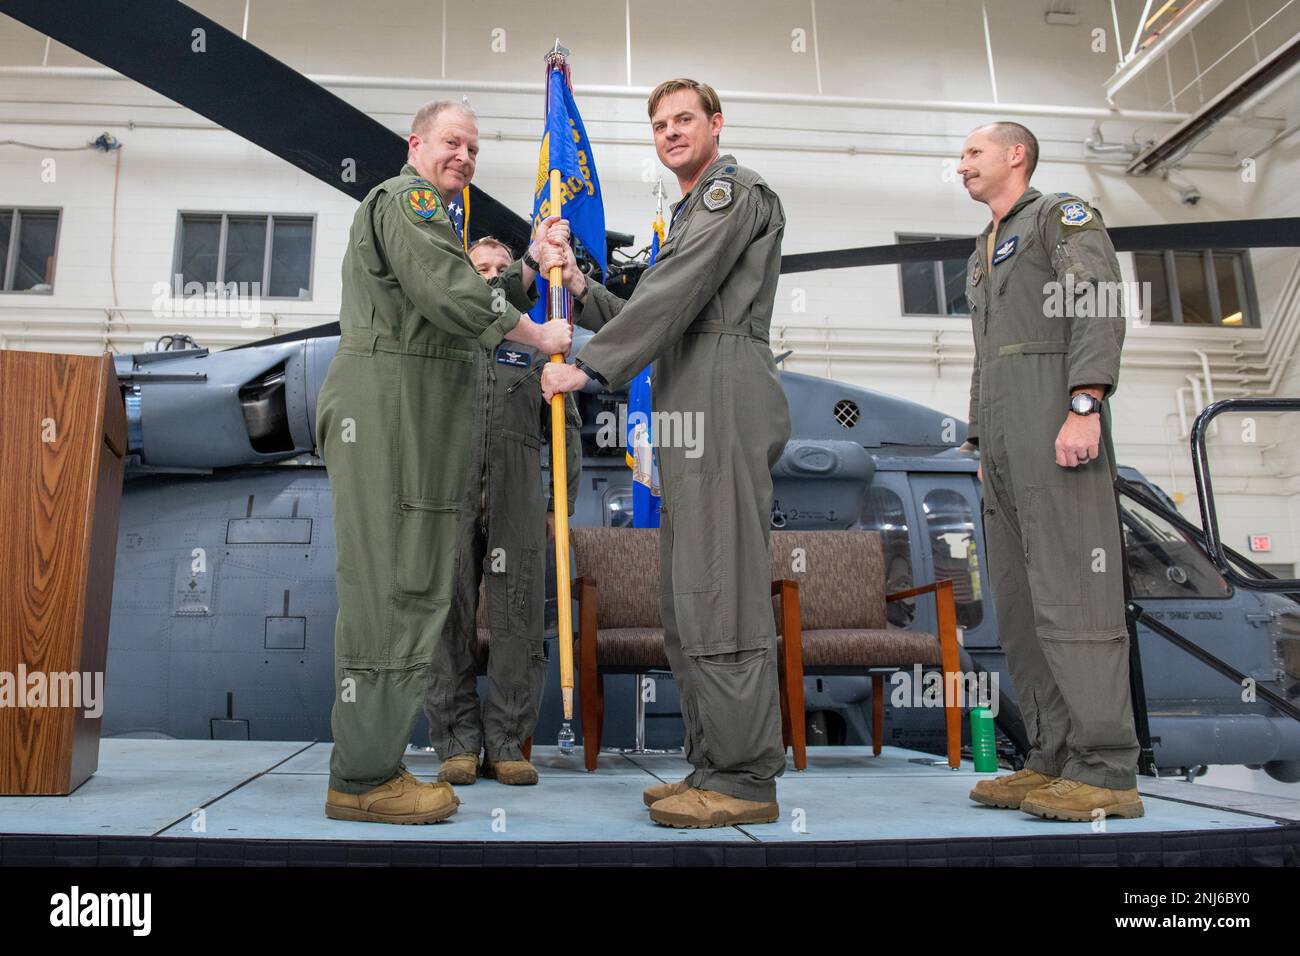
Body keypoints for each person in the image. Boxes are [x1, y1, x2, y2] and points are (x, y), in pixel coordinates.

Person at [541, 78, 790, 829]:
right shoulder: (688, 213)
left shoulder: (731, 194)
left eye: (685, 119)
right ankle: (714, 764)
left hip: (722, 391)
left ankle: (746, 779)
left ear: (718, 123)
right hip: (688, 394)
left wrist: (588, 366)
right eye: (659, 123)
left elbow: (672, 294)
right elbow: (656, 306)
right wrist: (579, 286)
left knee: (723, 591)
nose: (671, 132)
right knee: (691, 598)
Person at [317, 101, 571, 824]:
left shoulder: (445, 223)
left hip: (415, 417)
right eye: (452, 141)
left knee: (413, 589)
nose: (464, 155)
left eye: (474, 147)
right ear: (416, 144)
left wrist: (536, 264)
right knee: (389, 588)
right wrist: (537, 330)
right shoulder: (409, 199)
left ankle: (375, 766)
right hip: (388, 409)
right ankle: (364, 777)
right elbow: (455, 294)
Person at [957, 121, 1143, 821]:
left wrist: (1084, 401)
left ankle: (1106, 768)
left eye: (973, 152)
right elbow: (985, 353)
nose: (962, 165)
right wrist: (980, 444)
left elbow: (1096, 302)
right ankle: (1053, 758)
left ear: (1016, 155)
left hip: (1054, 418)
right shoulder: (982, 250)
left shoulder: (1061, 218)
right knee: (1023, 607)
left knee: (1074, 594)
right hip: (1003, 442)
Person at [425, 237, 584, 787]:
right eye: (481, 269)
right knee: (450, 618)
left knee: (517, 620)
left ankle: (507, 743)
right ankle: (457, 742)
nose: (492, 278)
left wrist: (557, 506)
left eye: (500, 268)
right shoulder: (442, 344)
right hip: (449, 496)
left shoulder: (542, 352)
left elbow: (567, 433)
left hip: (517, 498)